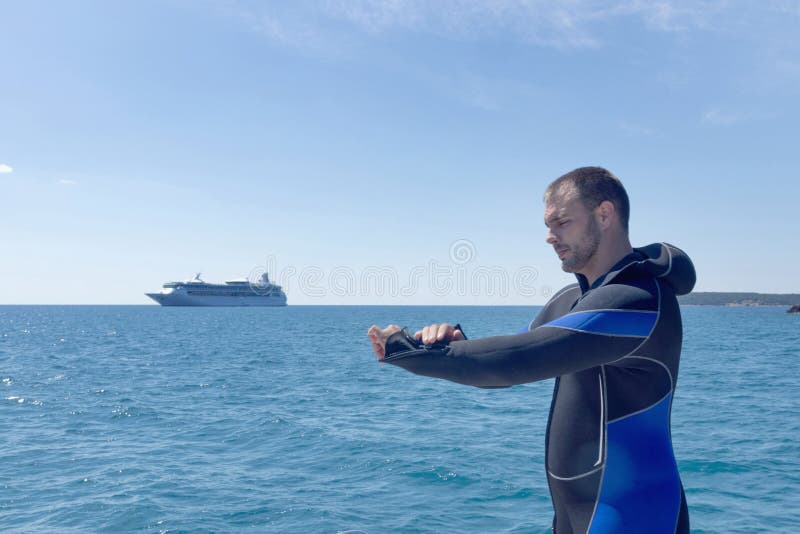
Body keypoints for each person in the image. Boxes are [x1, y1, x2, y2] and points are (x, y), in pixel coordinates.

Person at [368, 167, 695, 534]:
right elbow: (504, 366)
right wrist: (457, 346)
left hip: (636, 514)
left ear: (605, 215)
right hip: (572, 515)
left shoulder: (640, 300)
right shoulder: (571, 302)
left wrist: (408, 353)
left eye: (561, 222)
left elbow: (517, 361)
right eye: (547, 225)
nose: (549, 237)